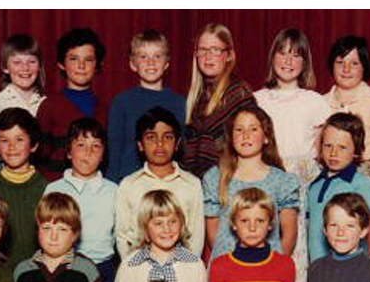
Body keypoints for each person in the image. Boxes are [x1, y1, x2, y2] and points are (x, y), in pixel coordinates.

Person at [203, 107, 301, 262]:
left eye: (253, 129)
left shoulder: (283, 181)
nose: (245, 135)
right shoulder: (215, 177)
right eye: (239, 129)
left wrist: (277, 266)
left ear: (266, 137)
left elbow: (289, 233)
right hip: (227, 269)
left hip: (267, 270)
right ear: (231, 137)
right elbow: (213, 233)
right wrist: (227, 264)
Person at [43, 117, 120, 282]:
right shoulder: (54, 189)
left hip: (103, 268)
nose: (88, 152)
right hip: (65, 266)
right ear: (69, 152)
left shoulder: (114, 191)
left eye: (96, 146)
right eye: (81, 145)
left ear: (103, 154)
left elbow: (121, 235)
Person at [114, 107, 205, 259]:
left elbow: (196, 237)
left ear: (177, 143)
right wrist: (134, 268)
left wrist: (187, 269)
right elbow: (122, 236)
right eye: (151, 137)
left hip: (181, 269)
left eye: (168, 137)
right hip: (139, 268)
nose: (160, 144)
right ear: (140, 145)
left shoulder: (192, 184)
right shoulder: (128, 185)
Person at [0, 108, 50, 268]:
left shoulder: (47, 189)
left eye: (19, 139)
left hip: (35, 277)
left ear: (34, 145)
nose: (12, 147)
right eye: (4, 140)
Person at [107, 29, 187, 183]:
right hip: (130, 182)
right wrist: (112, 187)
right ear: (132, 64)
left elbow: (181, 149)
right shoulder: (122, 101)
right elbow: (114, 149)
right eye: (143, 57)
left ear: (166, 63)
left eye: (157, 56)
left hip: (167, 182)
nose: (151, 62)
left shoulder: (179, 102)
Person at [254, 28, 332, 184]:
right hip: (267, 175)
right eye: (282, 54)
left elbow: (321, 150)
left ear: (304, 63)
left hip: (305, 179)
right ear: (272, 58)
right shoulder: (257, 100)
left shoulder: (315, 101)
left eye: (296, 55)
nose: (288, 61)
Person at [180, 23, 257, 178]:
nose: (208, 57)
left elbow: (251, 147)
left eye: (215, 50)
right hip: (195, 185)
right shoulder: (196, 98)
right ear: (196, 54)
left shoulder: (239, 94)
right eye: (203, 50)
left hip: (228, 182)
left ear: (228, 55)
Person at [306, 113, 370, 264]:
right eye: (328, 145)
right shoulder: (314, 186)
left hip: (351, 269)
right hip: (318, 270)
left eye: (342, 147)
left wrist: (364, 262)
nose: (333, 153)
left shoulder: (360, 183)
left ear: (356, 151)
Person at [36, 28, 107, 180]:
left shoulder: (105, 108)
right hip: (57, 192)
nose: (81, 65)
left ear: (97, 65)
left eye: (88, 59)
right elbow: (40, 158)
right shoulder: (49, 106)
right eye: (74, 59)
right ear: (62, 64)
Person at [0, 33, 47, 177]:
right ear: (5, 67)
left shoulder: (46, 103)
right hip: (3, 177)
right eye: (17, 62)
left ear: (39, 66)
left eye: (31, 62)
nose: (25, 68)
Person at [323, 36, 370, 167]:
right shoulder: (320, 102)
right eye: (340, 62)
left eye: (354, 63)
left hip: (367, 171)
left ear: (364, 67)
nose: (346, 69)